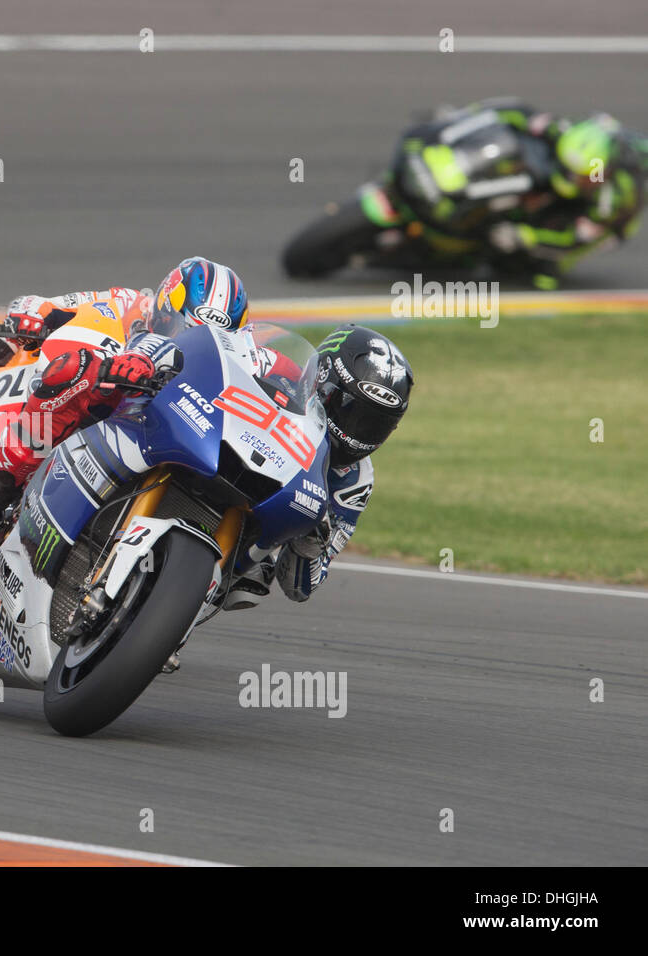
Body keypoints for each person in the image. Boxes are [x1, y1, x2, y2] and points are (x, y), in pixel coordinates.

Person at [0, 258, 250, 547]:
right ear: (163, 309)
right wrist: (34, 313)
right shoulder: (123, 303)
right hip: (87, 404)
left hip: (169, 422)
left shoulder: (244, 359)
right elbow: (47, 306)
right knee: (69, 369)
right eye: (184, 330)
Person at [225, 324, 413, 611]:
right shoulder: (274, 365)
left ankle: (170, 632)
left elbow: (300, 588)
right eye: (351, 411)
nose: (359, 433)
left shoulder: (354, 481)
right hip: (214, 449)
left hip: (243, 538)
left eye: (375, 426)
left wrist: (310, 545)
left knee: (253, 579)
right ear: (323, 379)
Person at [397, 99, 646, 287]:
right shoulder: (563, 132)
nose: (571, 178)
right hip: (583, 155)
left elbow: (572, 240)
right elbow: (513, 112)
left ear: (601, 175)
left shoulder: (611, 204)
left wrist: (525, 236)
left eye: (580, 176)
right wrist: (459, 119)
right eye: (569, 170)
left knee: (542, 273)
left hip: (597, 225)